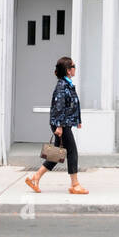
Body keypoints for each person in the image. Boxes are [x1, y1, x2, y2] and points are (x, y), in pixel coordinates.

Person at [26, 56, 88, 194]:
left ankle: (35, 178)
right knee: (72, 152)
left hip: (64, 123)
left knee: (55, 154)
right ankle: (75, 185)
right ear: (68, 70)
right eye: (73, 66)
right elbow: (59, 107)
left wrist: (77, 121)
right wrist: (59, 126)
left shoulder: (67, 84)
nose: (75, 68)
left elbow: (71, 105)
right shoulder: (62, 86)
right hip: (61, 125)